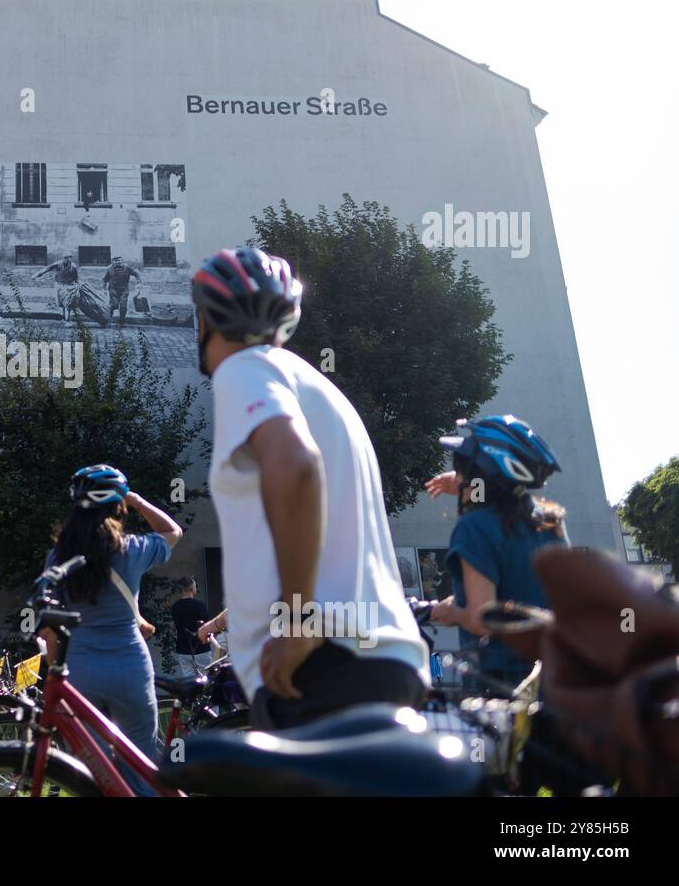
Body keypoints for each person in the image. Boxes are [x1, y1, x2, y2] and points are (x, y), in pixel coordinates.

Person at [191, 246, 428, 730]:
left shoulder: (245, 368)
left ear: (205, 321)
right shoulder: (317, 387)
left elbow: (296, 465)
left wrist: (299, 619)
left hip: (319, 667)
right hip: (379, 660)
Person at [43, 464, 182, 783]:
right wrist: (137, 501)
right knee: (141, 765)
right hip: (130, 666)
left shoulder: (58, 557)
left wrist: (55, 674)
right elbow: (173, 532)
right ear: (117, 506)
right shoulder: (133, 549)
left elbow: (49, 627)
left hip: (80, 668)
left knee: (95, 774)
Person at [426, 415, 567, 692]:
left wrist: (452, 611)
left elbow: (482, 620)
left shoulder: (475, 528)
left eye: (463, 466)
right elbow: (521, 593)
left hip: (499, 695)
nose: (458, 474)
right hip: (553, 686)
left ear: (480, 475)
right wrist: (471, 485)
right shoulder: (548, 520)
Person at [170, 577, 212, 678]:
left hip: (183, 649)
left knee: (189, 680)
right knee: (207, 679)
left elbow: (176, 625)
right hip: (201, 647)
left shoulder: (175, 607)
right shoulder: (200, 606)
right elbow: (207, 625)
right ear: (192, 588)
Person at [102, 255, 141, 328]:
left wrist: (139, 283)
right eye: (115, 260)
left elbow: (137, 274)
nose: (117, 262)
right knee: (114, 305)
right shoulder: (109, 269)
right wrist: (103, 289)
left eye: (118, 260)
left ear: (121, 260)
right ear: (112, 261)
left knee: (123, 306)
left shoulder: (127, 268)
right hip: (113, 289)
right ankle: (107, 318)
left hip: (124, 290)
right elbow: (104, 279)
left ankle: (121, 322)